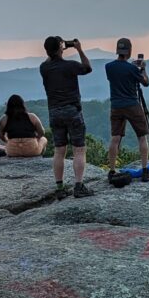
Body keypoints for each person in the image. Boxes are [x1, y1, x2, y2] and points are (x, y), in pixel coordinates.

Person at [39, 35, 94, 198]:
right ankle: (78, 186)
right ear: (60, 48)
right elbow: (88, 68)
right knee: (79, 149)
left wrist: (57, 48)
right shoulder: (70, 65)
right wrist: (79, 49)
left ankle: (60, 188)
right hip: (72, 111)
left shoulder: (44, 68)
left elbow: (50, 59)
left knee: (59, 150)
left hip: (54, 112)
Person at [104, 37, 149, 181]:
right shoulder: (132, 69)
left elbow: (118, 75)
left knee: (115, 138)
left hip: (116, 106)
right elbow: (146, 83)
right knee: (142, 137)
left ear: (117, 50)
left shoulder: (108, 67)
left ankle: (112, 171)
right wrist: (143, 69)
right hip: (132, 105)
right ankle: (145, 171)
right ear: (129, 50)